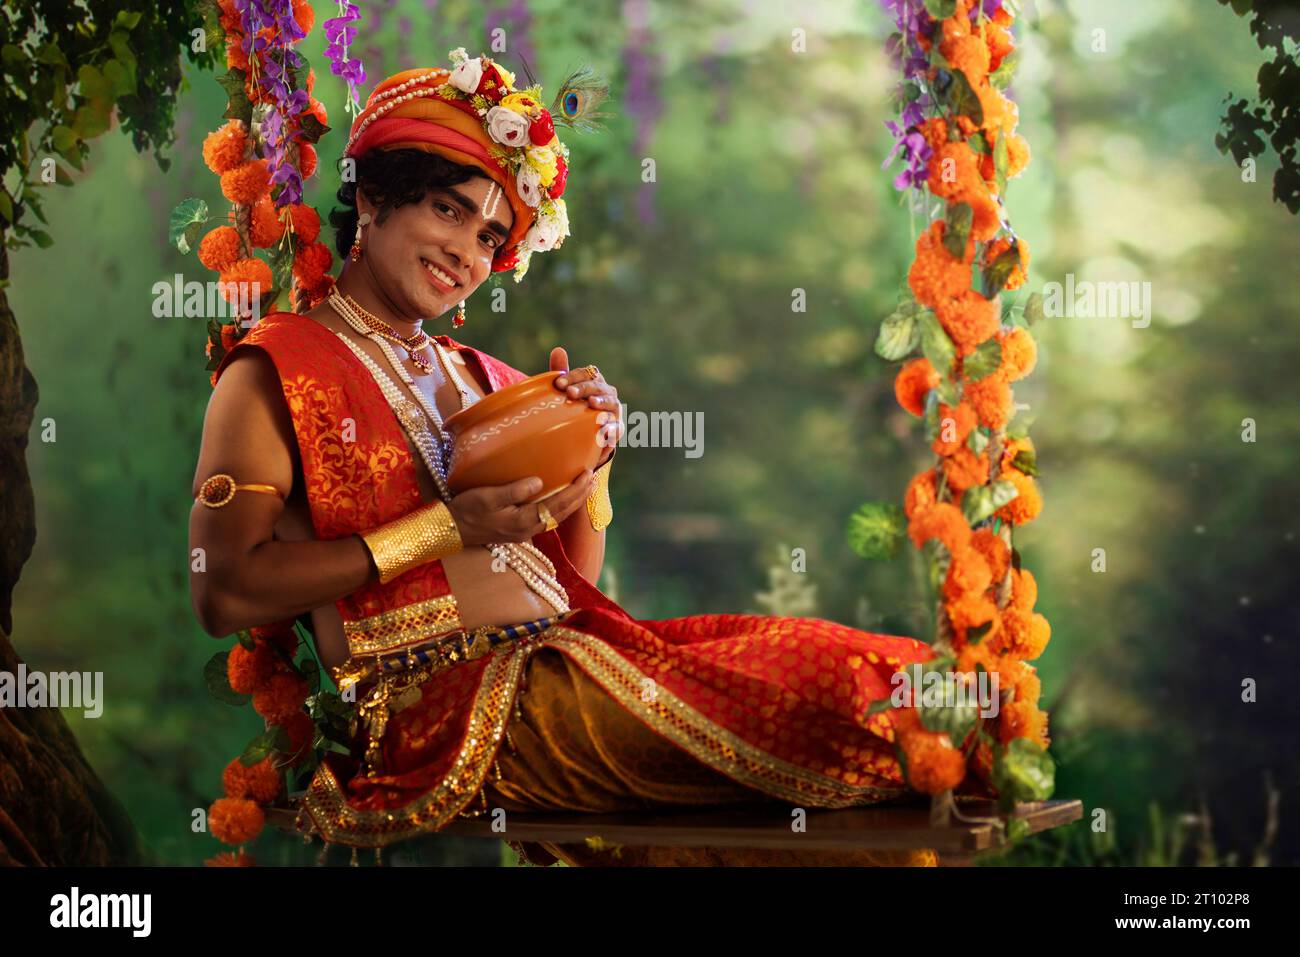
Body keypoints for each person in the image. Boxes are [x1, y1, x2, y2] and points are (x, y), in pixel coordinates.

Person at [190, 53, 979, 867]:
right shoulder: (280, 366)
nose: (467, 252)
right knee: (839, 695)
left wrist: (592, 468)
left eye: (490, 236)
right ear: (374, 193)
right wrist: (442, 529)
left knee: (884, 725)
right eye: (448, 211)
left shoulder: (484, 380)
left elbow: (570, 586)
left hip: (570, 659)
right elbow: (224, 590)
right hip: (451, 716)